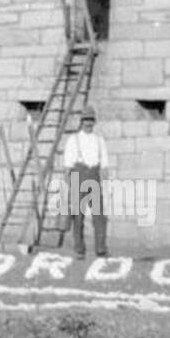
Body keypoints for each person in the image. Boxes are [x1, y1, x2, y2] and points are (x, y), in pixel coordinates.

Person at [63, 105, 108, 258]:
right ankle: (79, 249)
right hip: (78, 175)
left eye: (91, 120)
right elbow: (68, 165)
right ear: (81, 122)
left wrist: (104, 180)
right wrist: (68, 183)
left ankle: (101, 248)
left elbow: (104, 163)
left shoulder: (99, 140)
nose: (88, 123)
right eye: (86, 120)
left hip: (94, 174)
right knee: (78, 216)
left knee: (99, 215)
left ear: (94, 122)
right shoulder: (73, 140)